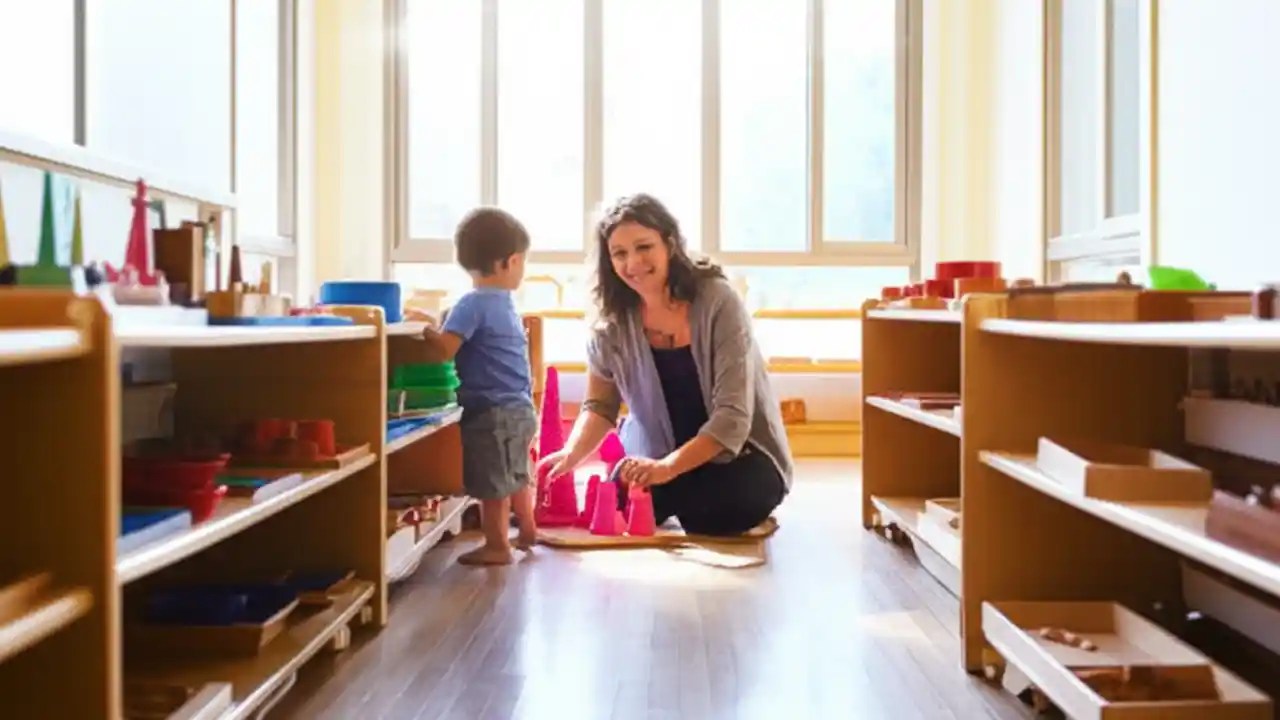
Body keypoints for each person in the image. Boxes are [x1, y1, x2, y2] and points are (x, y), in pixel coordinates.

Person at [539, 193, 793, 536]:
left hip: (739, 456)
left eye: (644, 247)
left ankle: (681, 498)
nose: (633, 263)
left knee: (710, 516)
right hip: (658, 455)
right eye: (620, 253)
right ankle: (671, 495)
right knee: (623, 504)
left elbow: (733, 418)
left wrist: (667, 469)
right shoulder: (612, 323)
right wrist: (570, 455)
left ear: (669, 245)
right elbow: (600, 406)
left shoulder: (718, 300)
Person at [420, 207, 537, 565]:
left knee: (491, 485)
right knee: (516, 473)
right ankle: (528, 529)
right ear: (510, 261)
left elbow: (446, 350)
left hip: (490, 411)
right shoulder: (506, 305)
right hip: (519, 407)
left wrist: (425, 329)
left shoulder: (471, 304)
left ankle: (497, 546)